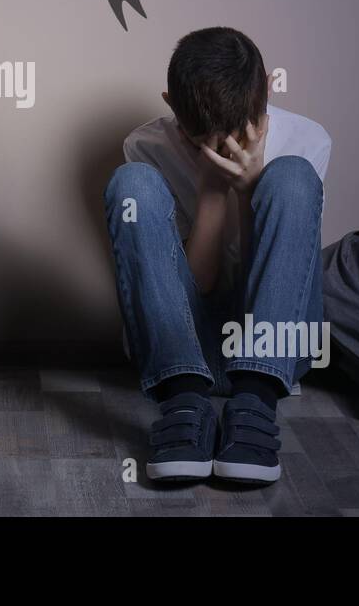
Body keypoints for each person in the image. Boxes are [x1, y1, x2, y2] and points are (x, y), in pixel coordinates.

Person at [103, 27, 331, 484]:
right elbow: (196, 285)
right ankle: (184, 401)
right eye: (200, 140)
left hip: (277, 351)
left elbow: (275, 283)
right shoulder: (146, 146)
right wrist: (211, 193)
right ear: (171, 104)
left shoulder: (308, 139)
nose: (227, 148)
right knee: (131, 185)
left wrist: (248, 193)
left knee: (291, 177)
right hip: (184, 350)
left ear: (267, 89)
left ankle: (255, 401)